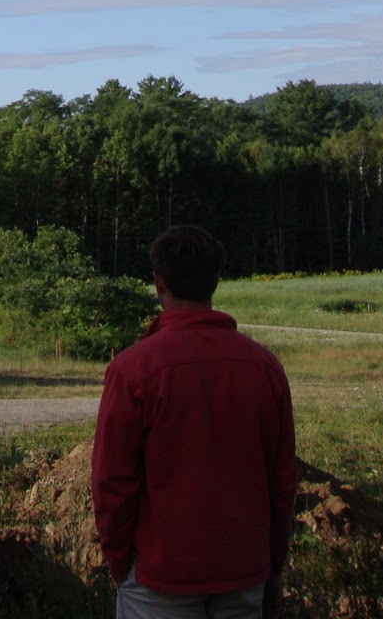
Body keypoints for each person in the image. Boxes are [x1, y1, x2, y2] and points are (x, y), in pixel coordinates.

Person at [91, 224, 296, 619]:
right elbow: (282, 480)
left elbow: (110, 482)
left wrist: (120, 564)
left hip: (159, 578)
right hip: (243, 573)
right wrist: (271, 568)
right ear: (215, 282)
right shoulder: (265, 367)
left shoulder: (132, 370)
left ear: (158, 282)